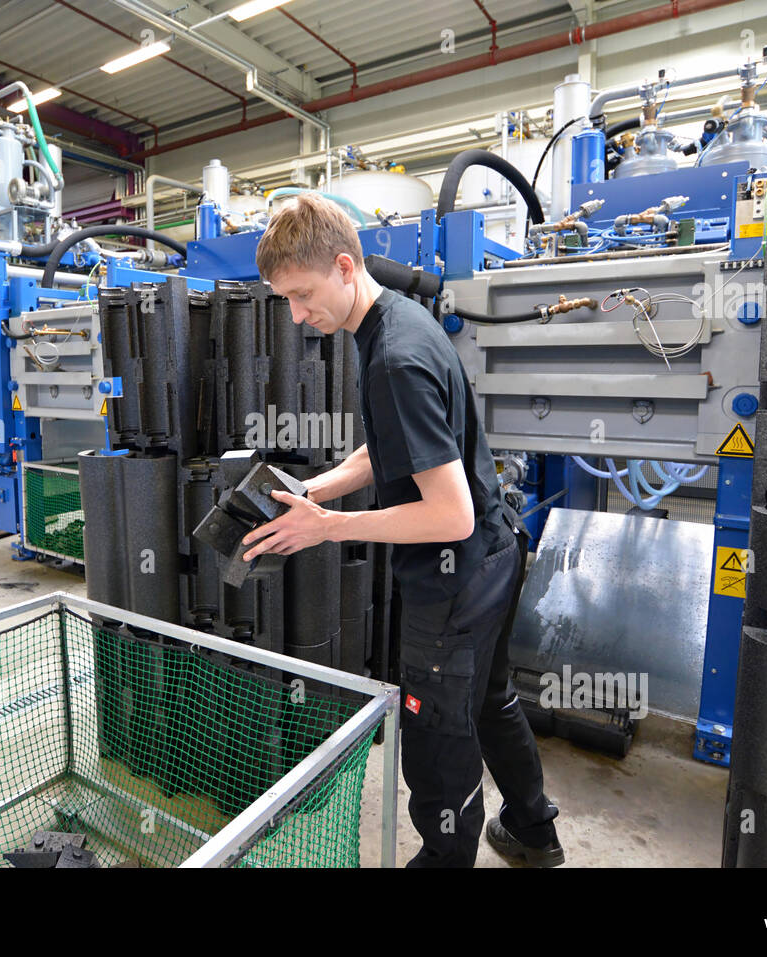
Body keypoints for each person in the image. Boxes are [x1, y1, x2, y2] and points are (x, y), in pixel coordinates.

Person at [239, 193, 563, 868]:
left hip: (455, 580)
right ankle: (533, 828)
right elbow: (400, 448)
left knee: (438, 738)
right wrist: (315, 488)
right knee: (491, 701)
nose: (299, 316)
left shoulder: (393, 359)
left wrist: (328, 526)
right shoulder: (398, 320)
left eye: (302, 295)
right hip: (498, 554)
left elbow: (449, 513)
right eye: (286, 302)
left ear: (345, 265)